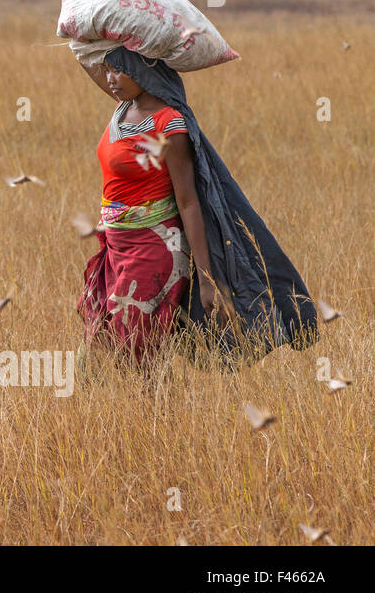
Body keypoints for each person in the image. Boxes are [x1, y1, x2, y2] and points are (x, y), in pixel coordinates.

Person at [77, 46, 317, 370]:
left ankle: (159, 416)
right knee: (103, 343)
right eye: (107, 70)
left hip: (154, 246)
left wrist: (207, 280)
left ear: (143, 71)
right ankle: (144, 411)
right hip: (116, 245)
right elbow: (91, 63)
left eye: (118, 70)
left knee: (135, 346)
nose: (110, 78)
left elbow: (188, 202)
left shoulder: (168, 124)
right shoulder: (122, 108)